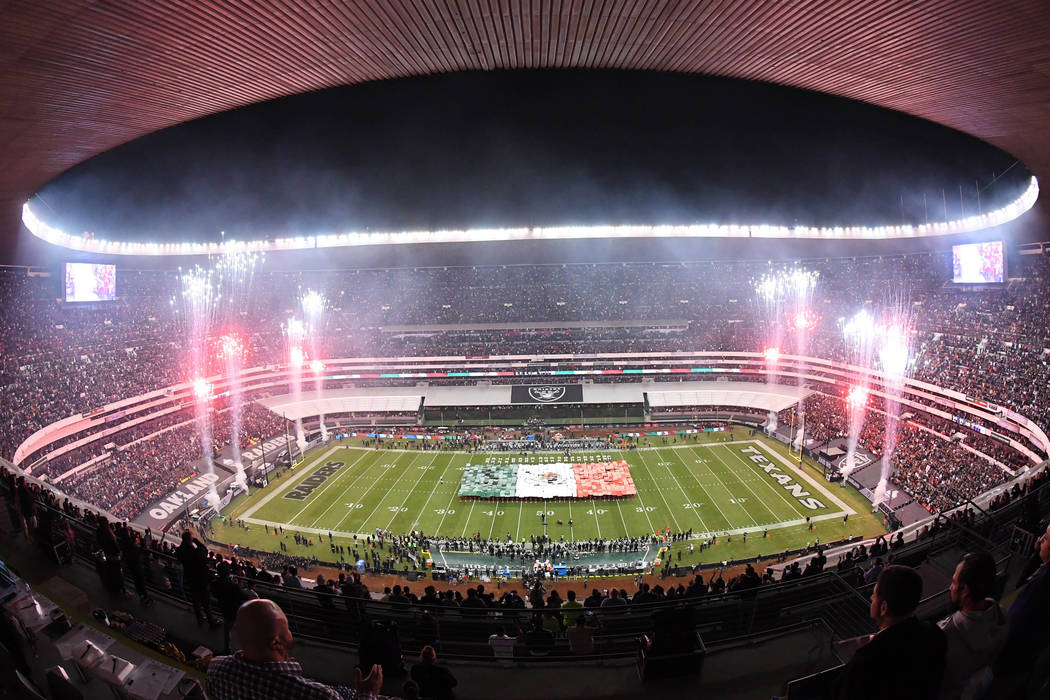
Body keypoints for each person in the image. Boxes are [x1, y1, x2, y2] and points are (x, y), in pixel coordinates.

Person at [207, 599, 383, 700]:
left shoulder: (216, 668)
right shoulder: (319, 695)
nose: (291, 633)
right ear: (275, 643)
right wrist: (368, 694)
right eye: (287, 628)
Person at [834, 565, 946, 700]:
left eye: (874, 595)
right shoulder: (935, 634)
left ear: (883, 608)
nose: (871, 597)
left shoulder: (868, 659)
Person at [989, 520, 1050, 698]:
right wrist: (1037, 557)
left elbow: (1016, 619)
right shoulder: (1043, 573)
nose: (1040, 540)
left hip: (1009, 663)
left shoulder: (1042, 584)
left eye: (1046, 538)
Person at [936, 551, 1007, 700]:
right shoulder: (1001, 615)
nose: (950, 587)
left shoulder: (944, 634)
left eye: (954, 582)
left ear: (965, 590)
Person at [176, 530, 217, 626]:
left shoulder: (180, 551)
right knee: (206, 601)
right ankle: (211, 621)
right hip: (201, 579)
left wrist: (186, 541)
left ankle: (200, 620)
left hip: (190, 578)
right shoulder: (196, 552)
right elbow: (205, 550)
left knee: (196, 601)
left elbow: (180, 552)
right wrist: (196, 541)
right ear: (190, 540)